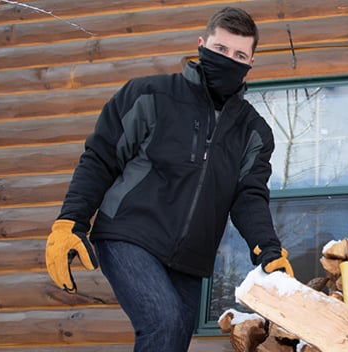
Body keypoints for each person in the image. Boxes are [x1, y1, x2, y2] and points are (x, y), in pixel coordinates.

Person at [44, 7, 293, 351]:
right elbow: (101, 156)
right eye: (221, 50)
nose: (228, 60)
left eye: (239, 55)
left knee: (175, 336)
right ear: (202, 45)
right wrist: (70, 220)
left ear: (250, 63)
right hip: (129, 234)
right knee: (163, 321)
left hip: (189, 259)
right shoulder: (151, 95)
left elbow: (248, 195)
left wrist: (266, 245)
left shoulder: (253, 132)